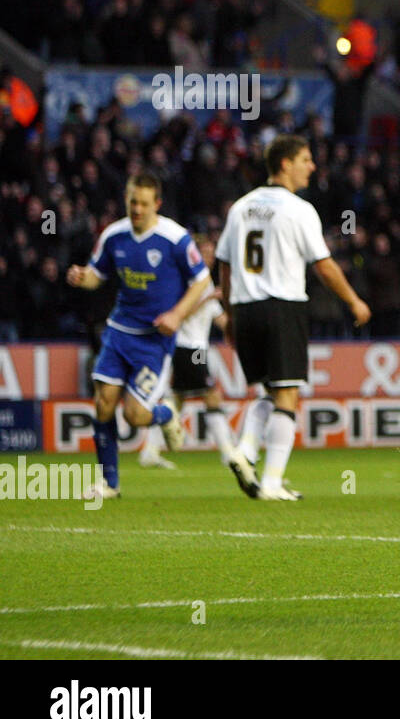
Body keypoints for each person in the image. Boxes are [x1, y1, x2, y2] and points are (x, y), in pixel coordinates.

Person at [215, 134, 371, 500]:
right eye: (305, 159)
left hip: (245, 308)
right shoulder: (298, 209)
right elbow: (325, 266)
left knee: (269, 391)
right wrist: (354, 302)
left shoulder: (240, 207)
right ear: (284, 164)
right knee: (288, 395)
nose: (312, 166)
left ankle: (245, 453)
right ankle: (268, 479)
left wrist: (228, 313)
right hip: (281, 307)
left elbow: (222, 264)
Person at [65, 173, 213, 499]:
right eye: (133, 202)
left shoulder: (175, 239)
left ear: (156, 204)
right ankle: (109, 483)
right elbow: (96, 276)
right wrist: (81, 277)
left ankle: (165, 414)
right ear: (127, 200)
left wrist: (177, 314)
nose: (137, 209)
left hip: (153, 341)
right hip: (119, 332)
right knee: (103, 404)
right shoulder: (114, 236)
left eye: (144, 204)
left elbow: (202, 280)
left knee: (134, 415)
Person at [140, 234, 259, 490]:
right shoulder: (188, 281)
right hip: (187, 346)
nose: (208, 257)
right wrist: (207, 297)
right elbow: (178, 315)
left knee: (177, 399)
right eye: (203, 252)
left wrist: (244, 328)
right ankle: (228, 452)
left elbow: (221, 320)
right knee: (211, 395)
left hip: (193, 347)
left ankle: (150, 450)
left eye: (211, 253)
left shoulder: (205, 283)